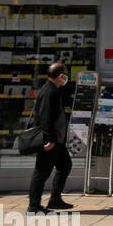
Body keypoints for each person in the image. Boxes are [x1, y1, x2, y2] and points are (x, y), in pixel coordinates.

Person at [28, 62, 72, 215]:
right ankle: (33, 206)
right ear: (61, 75)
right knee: (41, 172)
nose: (67, 76)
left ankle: (55, 199)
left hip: (57, 140)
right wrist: (49, 140)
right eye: (66, 73)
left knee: (65, 165)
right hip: (50, 140)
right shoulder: (49, 92)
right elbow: (45, 118)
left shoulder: (54, 89)